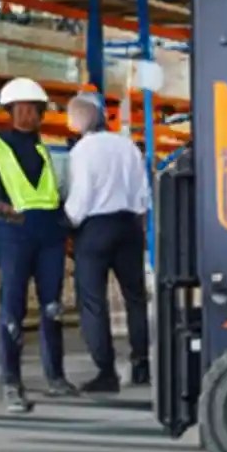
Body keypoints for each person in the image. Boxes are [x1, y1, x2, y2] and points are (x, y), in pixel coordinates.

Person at [0, 77, 79, 413]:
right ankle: (11, 384)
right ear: (11, 110)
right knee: (12, 311)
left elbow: (55, 193)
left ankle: (56, 377)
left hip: (49, 234)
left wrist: (64, 227)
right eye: (25, 109)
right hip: (16, 235)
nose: (31, 115)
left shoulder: (43, 148)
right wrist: (14, 218)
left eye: (35, 109)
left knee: (52, 308)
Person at [62, 92, 152, 393]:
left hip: (95, 229)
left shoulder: (82, 152)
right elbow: (143, 194)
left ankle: (106, 372)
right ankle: (142, 364)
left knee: (93, 303)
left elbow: (81, 197)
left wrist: (67, 227)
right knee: (135, 298)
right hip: (129, 225)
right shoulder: (128, 146)